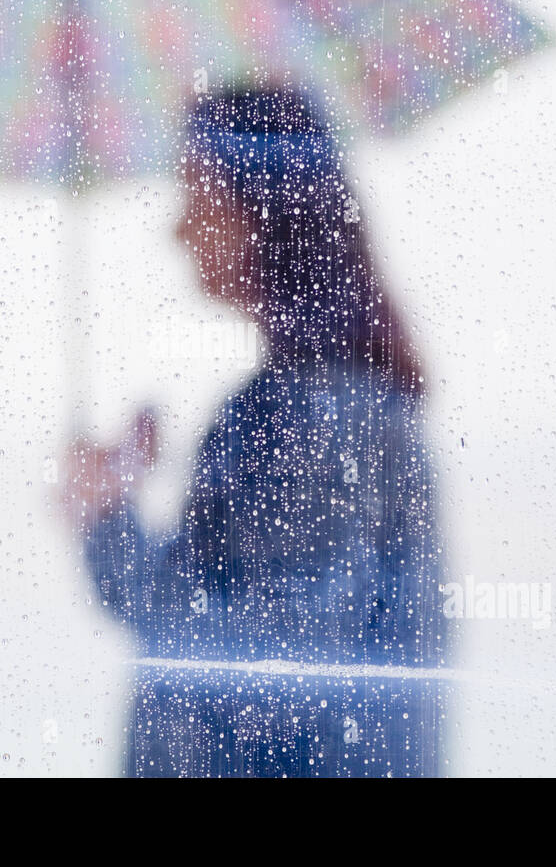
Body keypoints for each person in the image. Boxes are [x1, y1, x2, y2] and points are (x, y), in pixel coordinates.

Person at [65, 87, 448, 777]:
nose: (177, 229)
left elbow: (259, 667)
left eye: (197, 195)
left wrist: (106, 518)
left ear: (262, 210)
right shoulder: (331, 403)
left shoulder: (312, 414)